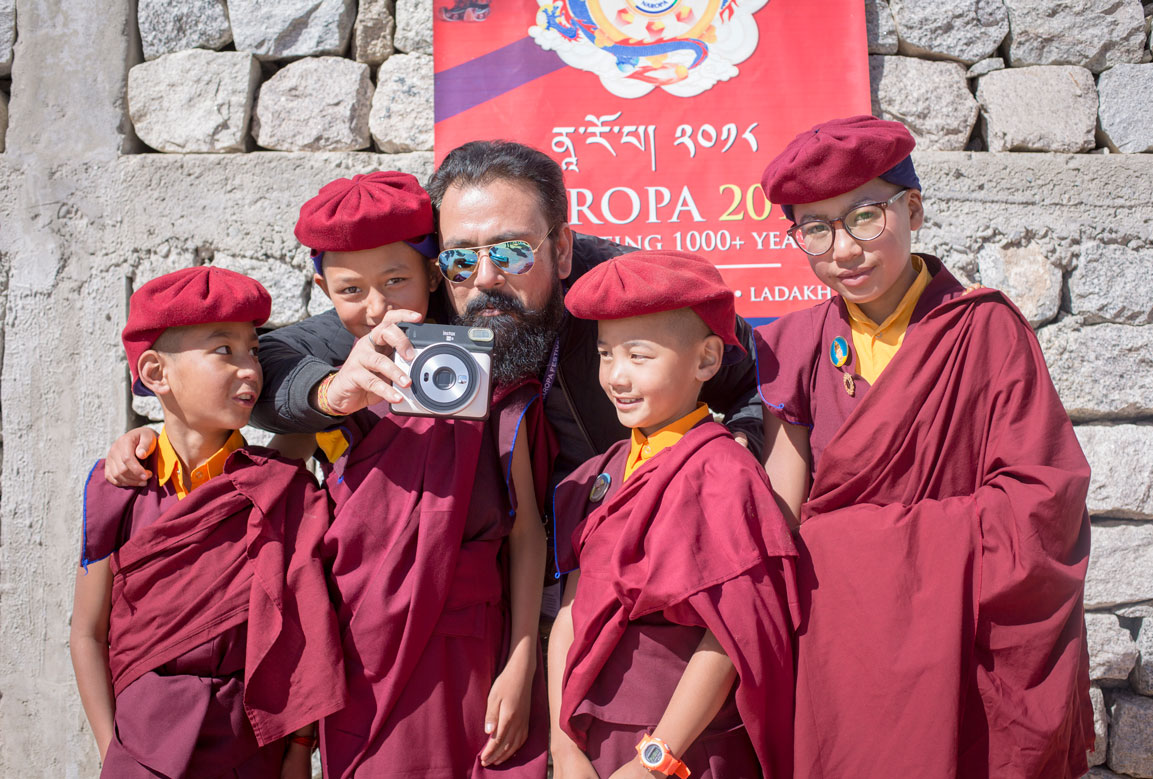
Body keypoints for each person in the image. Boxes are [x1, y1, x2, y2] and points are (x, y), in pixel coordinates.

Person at [92, 141, 759, 494]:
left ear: (559, 249)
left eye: (513, 251)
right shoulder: (427, 302)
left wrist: (737, 469)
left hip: (627, 556)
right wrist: (333, 391)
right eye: (462, 258)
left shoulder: (623, 289)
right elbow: (268, 360)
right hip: (486, 594)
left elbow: (761, 376)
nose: (487, 278)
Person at [754, 115, 1094, 778]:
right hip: (838, 650)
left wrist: (853, 545)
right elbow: (780, 517)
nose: (842, 250)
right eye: (814, 228)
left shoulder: (984, 329)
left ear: (911, 209)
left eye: (862, 217)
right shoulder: (790, 346)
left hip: (953, 645)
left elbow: (1041, 503)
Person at [286, 170, 552, 778]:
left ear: (433, 274)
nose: (376, 307)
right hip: (361, 651)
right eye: (350, 290)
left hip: (470, 648)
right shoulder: (339, 387)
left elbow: (525, 531)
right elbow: (268, 479)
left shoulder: (482, 375)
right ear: (324, 289)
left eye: (396, 280)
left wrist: (521, 661)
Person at [70, 267, 346, 778]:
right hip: (143, 746)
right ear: (155, 373)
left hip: (249, 750)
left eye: (255, 351)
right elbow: (87, 632)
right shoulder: (120, 488)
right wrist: (114, 748)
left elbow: (306, 630)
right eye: (224, 351)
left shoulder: (278, 484)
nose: (250, 370)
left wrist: (295, 753)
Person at [547, 250, 800, 779]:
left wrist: (657, 760)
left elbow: (731, 638)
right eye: (605, 354)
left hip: (684, 749)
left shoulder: (724, 472)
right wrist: (565, 747)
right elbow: (572, 613)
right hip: (591, 743)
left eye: (638, 356)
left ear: (708, 360)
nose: (616, 376)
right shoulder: (602, 473)